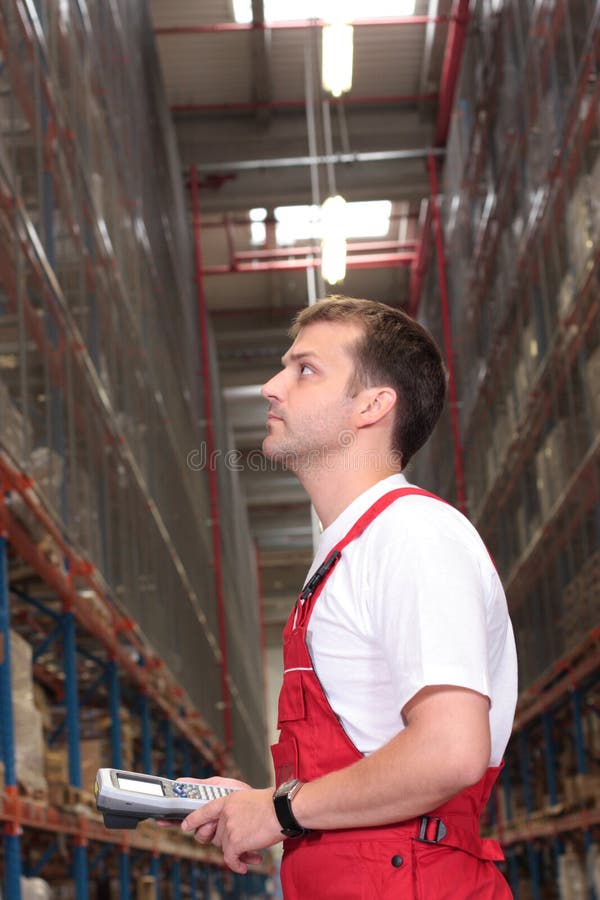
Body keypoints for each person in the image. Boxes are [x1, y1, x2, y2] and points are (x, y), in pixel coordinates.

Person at [180, 296, 518, 899]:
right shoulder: (351, 551)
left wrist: (280, 812)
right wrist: (257, 803)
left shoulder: (412, 535)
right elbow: (363, 754)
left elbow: (449, 751)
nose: (270, 387)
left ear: (372, 405)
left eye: (304, 369)